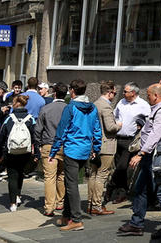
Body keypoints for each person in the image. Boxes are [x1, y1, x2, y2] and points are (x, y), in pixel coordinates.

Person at [117, 84, 161, 237]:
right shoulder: (157, 109)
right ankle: (136, 223)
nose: (147, 97)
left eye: (149, 94)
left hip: (157, 157)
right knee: (140, 189)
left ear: (156, 95)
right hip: (150, 156)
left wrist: (141, 153)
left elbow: (156, 135)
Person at [48, 78, 102, 232]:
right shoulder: (92, 108)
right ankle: (66, 216)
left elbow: (62, 130)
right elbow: (97, 130)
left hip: (72, 150)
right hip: (85, 150)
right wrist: (96, 149)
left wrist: (53, 151)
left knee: (71, 186)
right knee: (68, 183)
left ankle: (76, 220)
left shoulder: (70, 108)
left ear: (72, 91)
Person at [0, 95, 37, 212]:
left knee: (12, 176)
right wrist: (37, 153)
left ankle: (13, 203)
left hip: (11, 152)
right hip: (25, 151)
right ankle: (18, 195)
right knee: (20, 173)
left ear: (14, 104)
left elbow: (1, 137)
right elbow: (35, 137)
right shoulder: (30, 119)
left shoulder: (9, 118)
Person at [35, 82, 68, 217]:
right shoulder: (69, 109)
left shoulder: (46, 108)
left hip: (49, 145)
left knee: (49, 177)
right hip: (65, 146)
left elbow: (38, 129)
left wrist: (39, 143)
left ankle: (49, 207)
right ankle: (60, 202)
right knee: (61, 175)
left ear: (54, 93)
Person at [87, 80, 120, 216]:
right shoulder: (105, 107)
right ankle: (97, 205)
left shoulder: (95, 104)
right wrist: (119, 124)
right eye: (114, 93)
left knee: (93, 175)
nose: (115, 95)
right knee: (102, 175)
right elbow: (110, 127)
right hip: (106, 145)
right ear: (109, 92)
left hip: (94, 145)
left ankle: (90, 203)